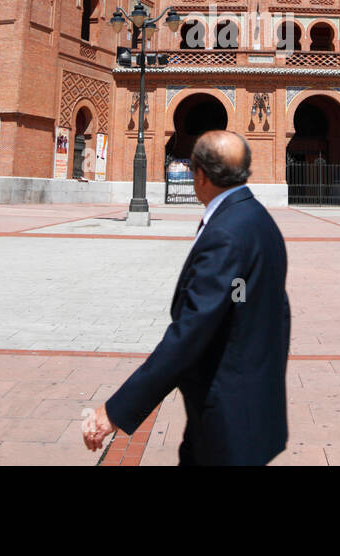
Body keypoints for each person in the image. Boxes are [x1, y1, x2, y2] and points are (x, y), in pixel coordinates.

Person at [83, 130, 291, 465]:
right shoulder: (258, 219)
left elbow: (191, 333)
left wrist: (114, 412)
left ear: (201, 174)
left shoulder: (227, 233)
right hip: (248, 407)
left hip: (227, 416)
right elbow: (255, 302)